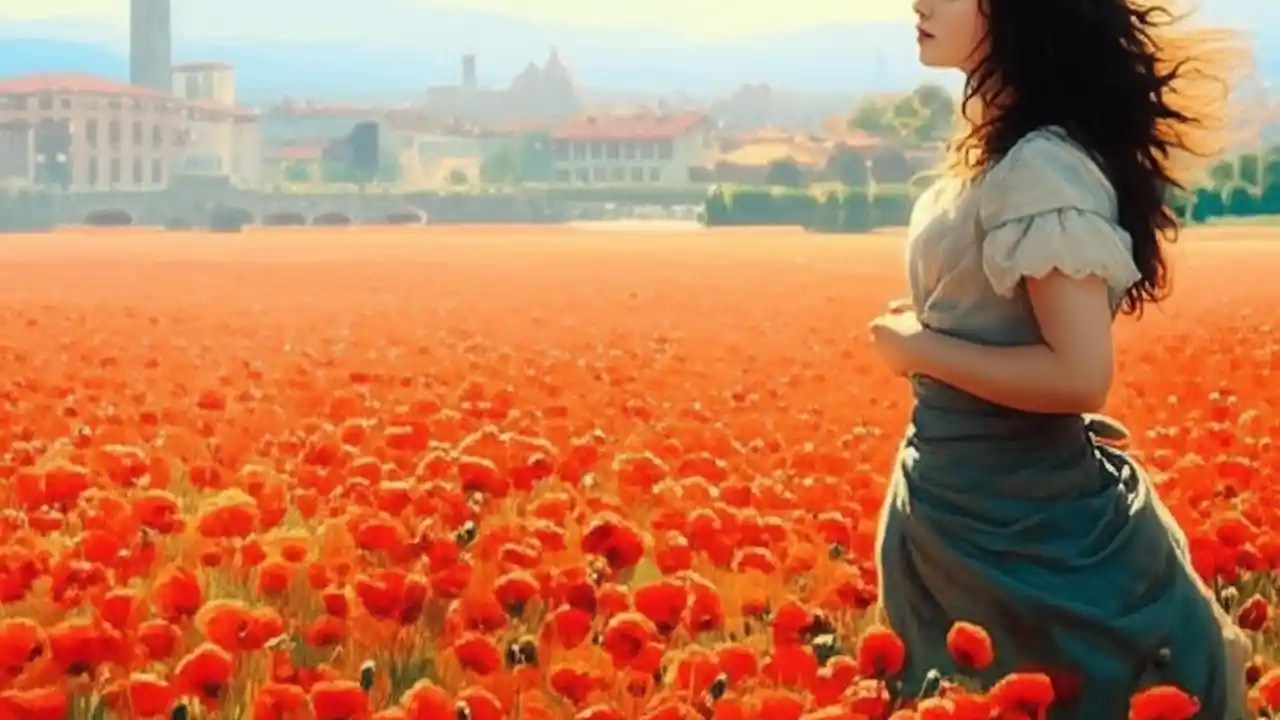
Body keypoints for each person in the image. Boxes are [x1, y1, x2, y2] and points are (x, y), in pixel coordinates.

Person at [866, 0, 1252, 717]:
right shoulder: (997, 152)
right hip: (957, 517)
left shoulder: (1041, 166)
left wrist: (922, 349)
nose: (917, 2)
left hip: (1030, 539)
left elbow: (1080, 375)